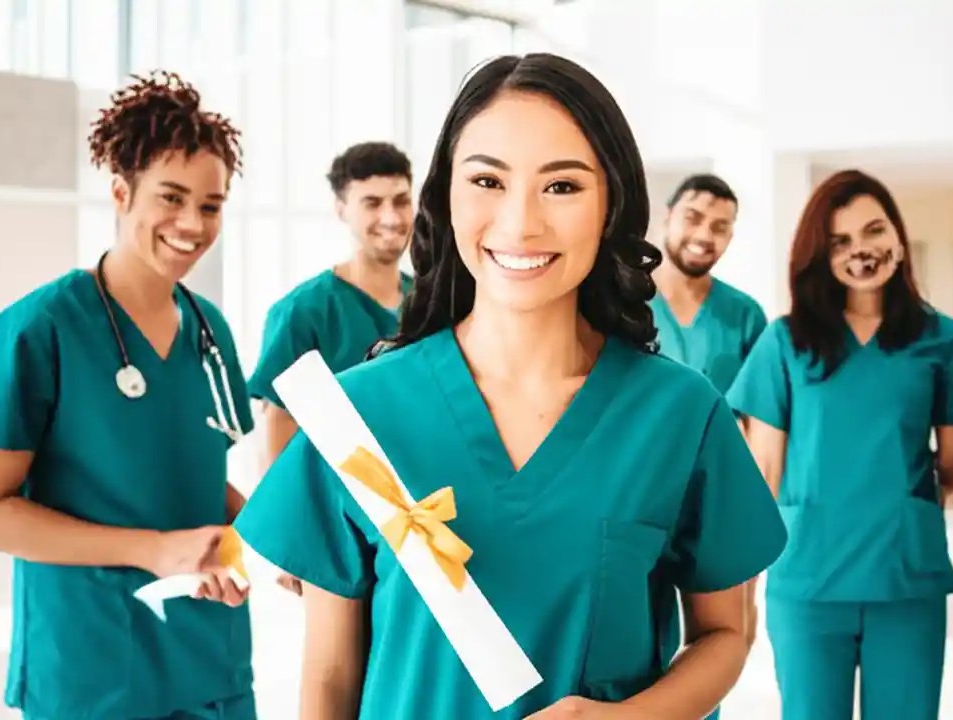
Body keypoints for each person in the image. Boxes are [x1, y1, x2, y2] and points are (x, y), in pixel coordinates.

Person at [233, 52, 786, 719]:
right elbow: (328, 680)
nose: (521, 222)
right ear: (445, 199)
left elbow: (725, 634)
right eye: (488, 181)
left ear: (612, 204)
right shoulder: (359, 415)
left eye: (561, 187)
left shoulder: (679, 414)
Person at [0, 71, 256, 720]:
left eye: (211, 205)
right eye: (171, 198)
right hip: (92, 661)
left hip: (209, 651)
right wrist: (152, 549)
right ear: (121, 192)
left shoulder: (211, 330)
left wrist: (269, 533)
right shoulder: (40, 329)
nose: (192, 224)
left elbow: (197, 476)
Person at [727, 169, 953, 720]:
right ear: (819, 255)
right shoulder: (786, 340)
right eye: (840, 241)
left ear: (897, 236)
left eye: (874, 231)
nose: (861, 250)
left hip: (907, 581)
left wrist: (901, 512)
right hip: (807, 583)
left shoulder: (942, 340)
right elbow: (765, 475)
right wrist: (740, 595)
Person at [247, 142, 414, 596]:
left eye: (401, 200)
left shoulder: (430, 305)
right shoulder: (305, 311)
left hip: (420, 521)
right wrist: (290, 537)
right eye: (372, 203)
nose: (392, 217)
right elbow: (277, 425)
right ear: (342, 210)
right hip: (337, 521)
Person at [650, 173, 765, 395]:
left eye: (720, 227)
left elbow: (758, 410)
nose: (704, 236)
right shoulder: (625, 301)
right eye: (692, 218)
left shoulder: (746, 316)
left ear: (730, 236)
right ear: (667, 217)